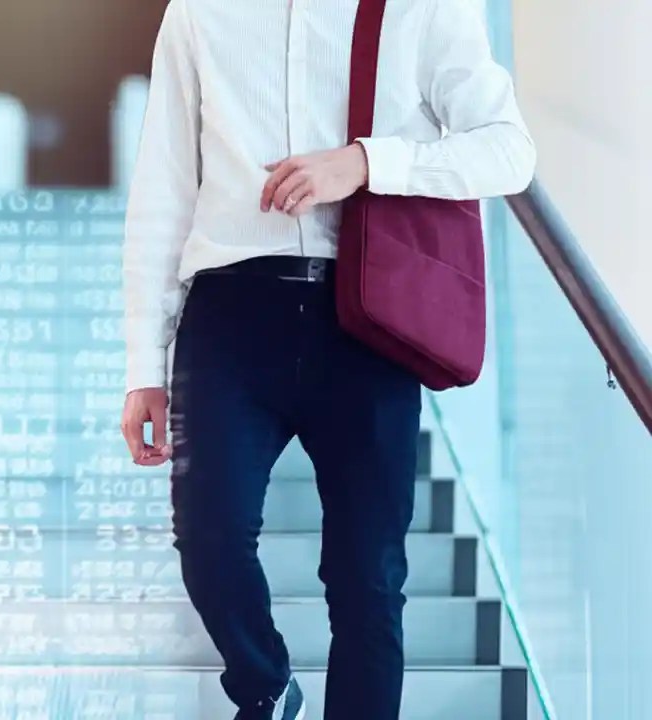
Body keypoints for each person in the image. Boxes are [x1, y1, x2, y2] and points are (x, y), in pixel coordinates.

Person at [118, 1, 535, 718]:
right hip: (230, 314)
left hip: (368, 318)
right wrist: (143, 368)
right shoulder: (199, 11)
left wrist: (367, 162)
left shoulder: (421, 7)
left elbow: (509, 150)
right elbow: (163, 190)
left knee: (368, 579)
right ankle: (266, 686)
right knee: (208, 538)